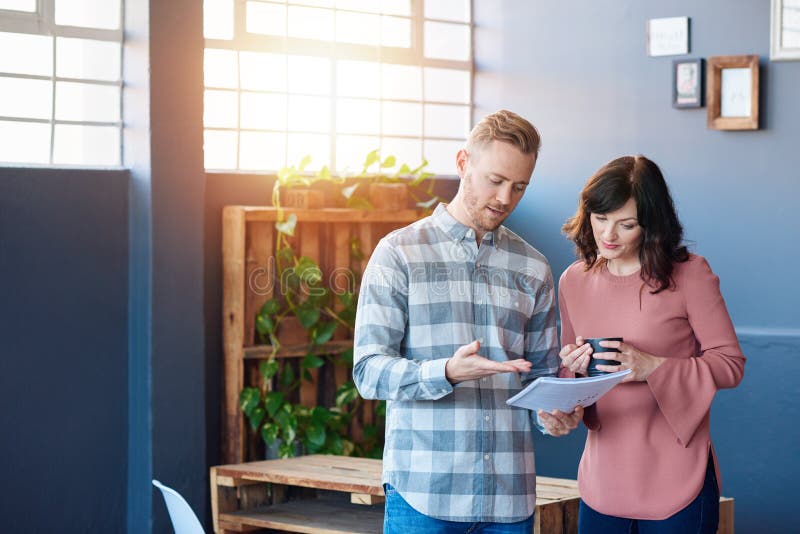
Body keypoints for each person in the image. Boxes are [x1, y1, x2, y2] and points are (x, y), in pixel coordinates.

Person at [353, 109, 582, 533]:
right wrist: (447, 372)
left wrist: (555, 413)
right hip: (423, 494)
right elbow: (368, 372)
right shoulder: (399, 253)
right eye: (495, 181)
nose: (505, 198)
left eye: (519, 187)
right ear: (463, 164)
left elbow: (541, 376)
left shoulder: (533, 267)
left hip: (508, 500)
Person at [558, 155, 745, 533]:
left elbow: (730, 365)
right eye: (600, 219)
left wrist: (653, 367)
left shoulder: (691, 274)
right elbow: (568, 378)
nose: (608, 235)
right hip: (602, 478)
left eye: (626, 224)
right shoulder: (573, 280)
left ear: (651, 224)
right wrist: (570, 376)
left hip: (677, 474)